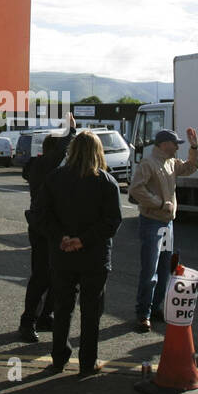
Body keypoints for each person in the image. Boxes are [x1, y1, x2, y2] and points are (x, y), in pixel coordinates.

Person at [32, 131, 122, 376]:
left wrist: (61, 237)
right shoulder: (106, 182)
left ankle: (59, 359)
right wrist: (82, 240)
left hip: (62, 255)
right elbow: (112, 222)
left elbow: (40, 214)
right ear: (98, 152)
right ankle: (87, 362)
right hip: (94, 256)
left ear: (71, 151)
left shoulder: (55, 178)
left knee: (62, 309)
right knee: (91, 311)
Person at [127, 127, 198, 332]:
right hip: (152, 222)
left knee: (164, 267)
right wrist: (159, 204)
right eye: (175, 143)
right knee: (150, 269)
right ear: (163, 144)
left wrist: (194, 146)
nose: (177, 147)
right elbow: (135, 189)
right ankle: (143, 313)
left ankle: (155, 306)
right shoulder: (148, 163)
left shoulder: (171, 162)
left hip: (167, 223)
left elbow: (191, 166)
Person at [18, 117, 77, 342]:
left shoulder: (39, 166)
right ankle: (28, 322)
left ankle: (44, 316)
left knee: (55, 275)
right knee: (42, 276)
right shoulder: (43, 165)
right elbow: (61, 152)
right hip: (44, 228)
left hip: (49, 227)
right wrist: (70, 129)